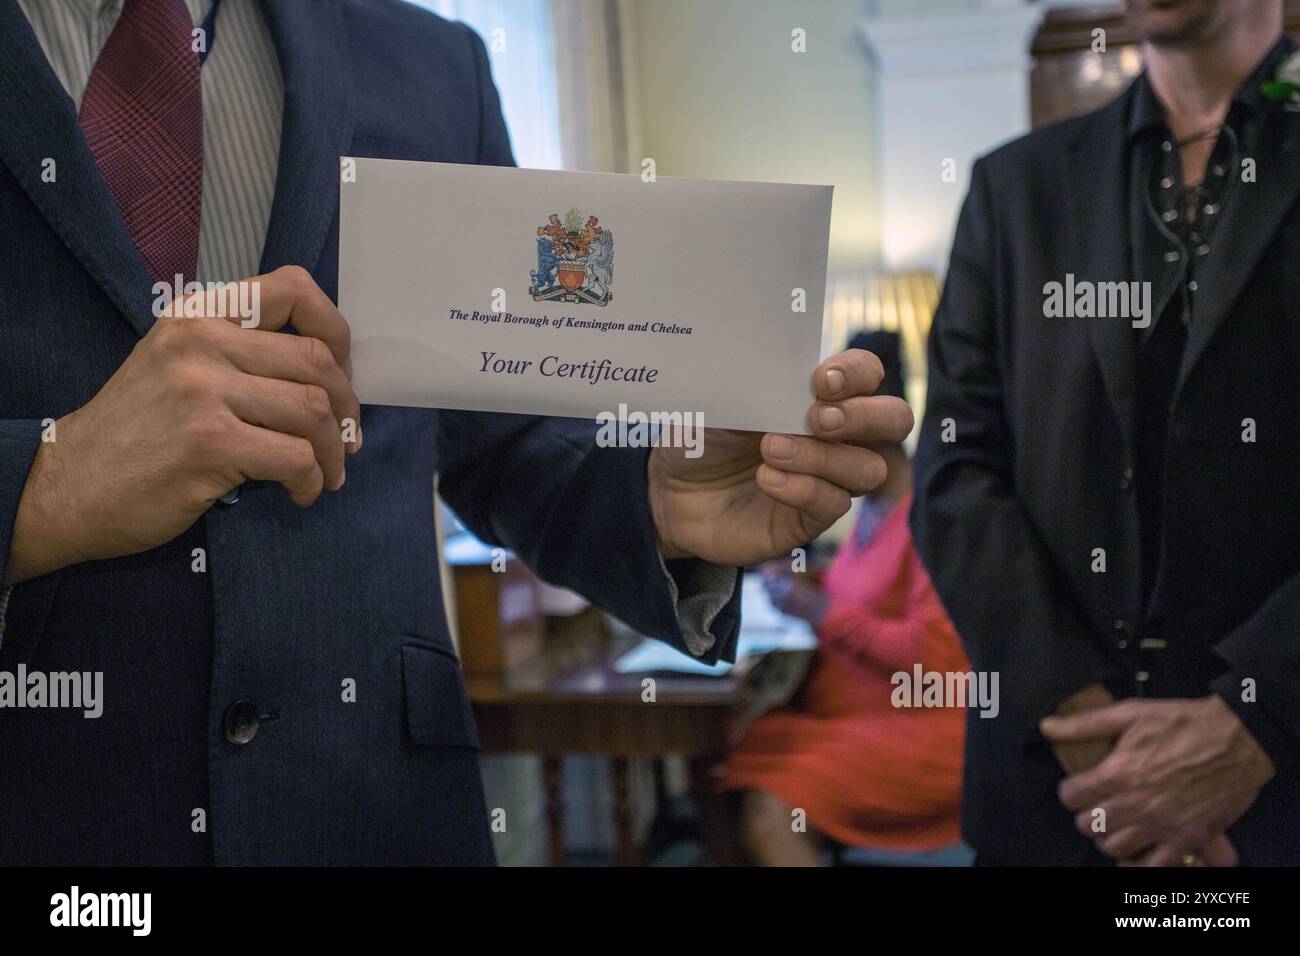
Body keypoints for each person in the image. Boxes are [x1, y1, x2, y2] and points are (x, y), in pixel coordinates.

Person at [0, 0, 910, 864]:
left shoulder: (435, 67)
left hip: (380, 814)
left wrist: (657, 508)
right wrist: (48, 485)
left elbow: (502, 441)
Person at [912, 0, 1300, 865]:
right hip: (1057, 794)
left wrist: (1260, 716)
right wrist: (1085, 726)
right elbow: (954, 469)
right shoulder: (1017, 187)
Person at [725, 331, 968, 866]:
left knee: (770, 808)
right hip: (859, 717)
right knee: (738, 751)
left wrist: (816, 610)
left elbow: (934, 659)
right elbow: (871, 594)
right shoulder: (873, 513)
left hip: (922, 732)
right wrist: (814, 584)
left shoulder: (927, 519)